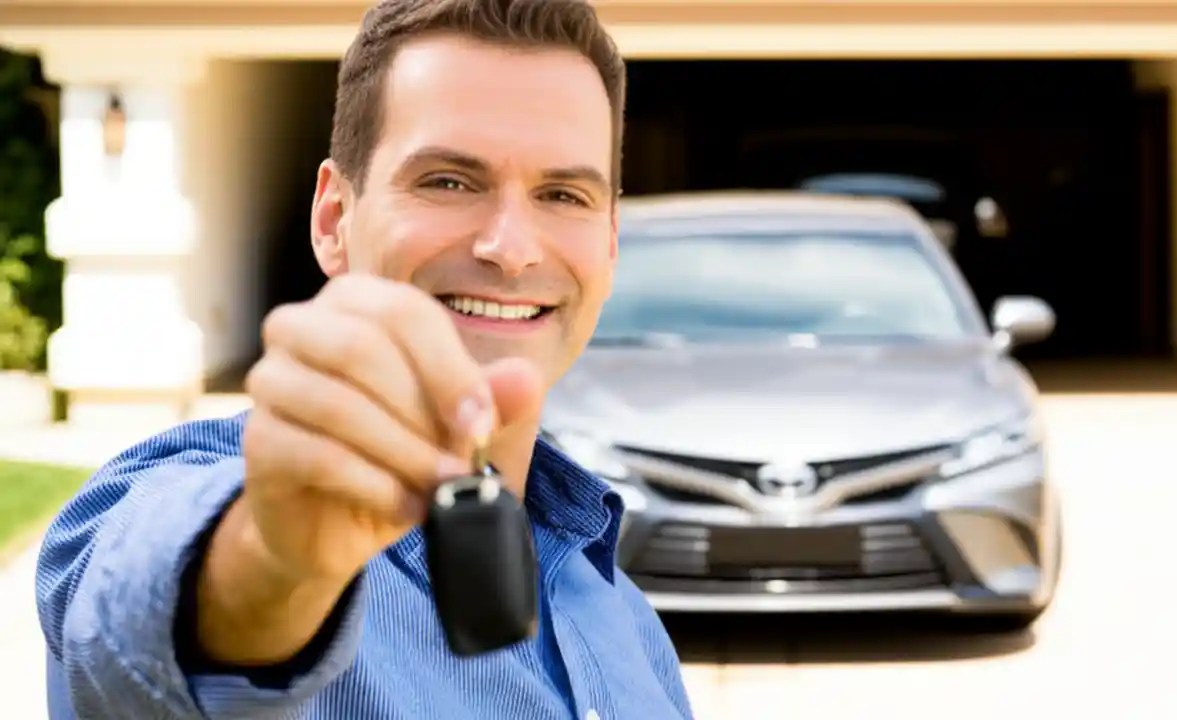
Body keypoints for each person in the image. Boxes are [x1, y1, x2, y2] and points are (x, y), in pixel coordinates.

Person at [33, 1, 695, 718]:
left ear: (609, 244)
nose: (511, 246)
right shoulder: (176, 497)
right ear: (334, 221)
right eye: (448, 181)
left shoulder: (626, 621)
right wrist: (273, 563)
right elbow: (135, 607)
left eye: (563, 194)